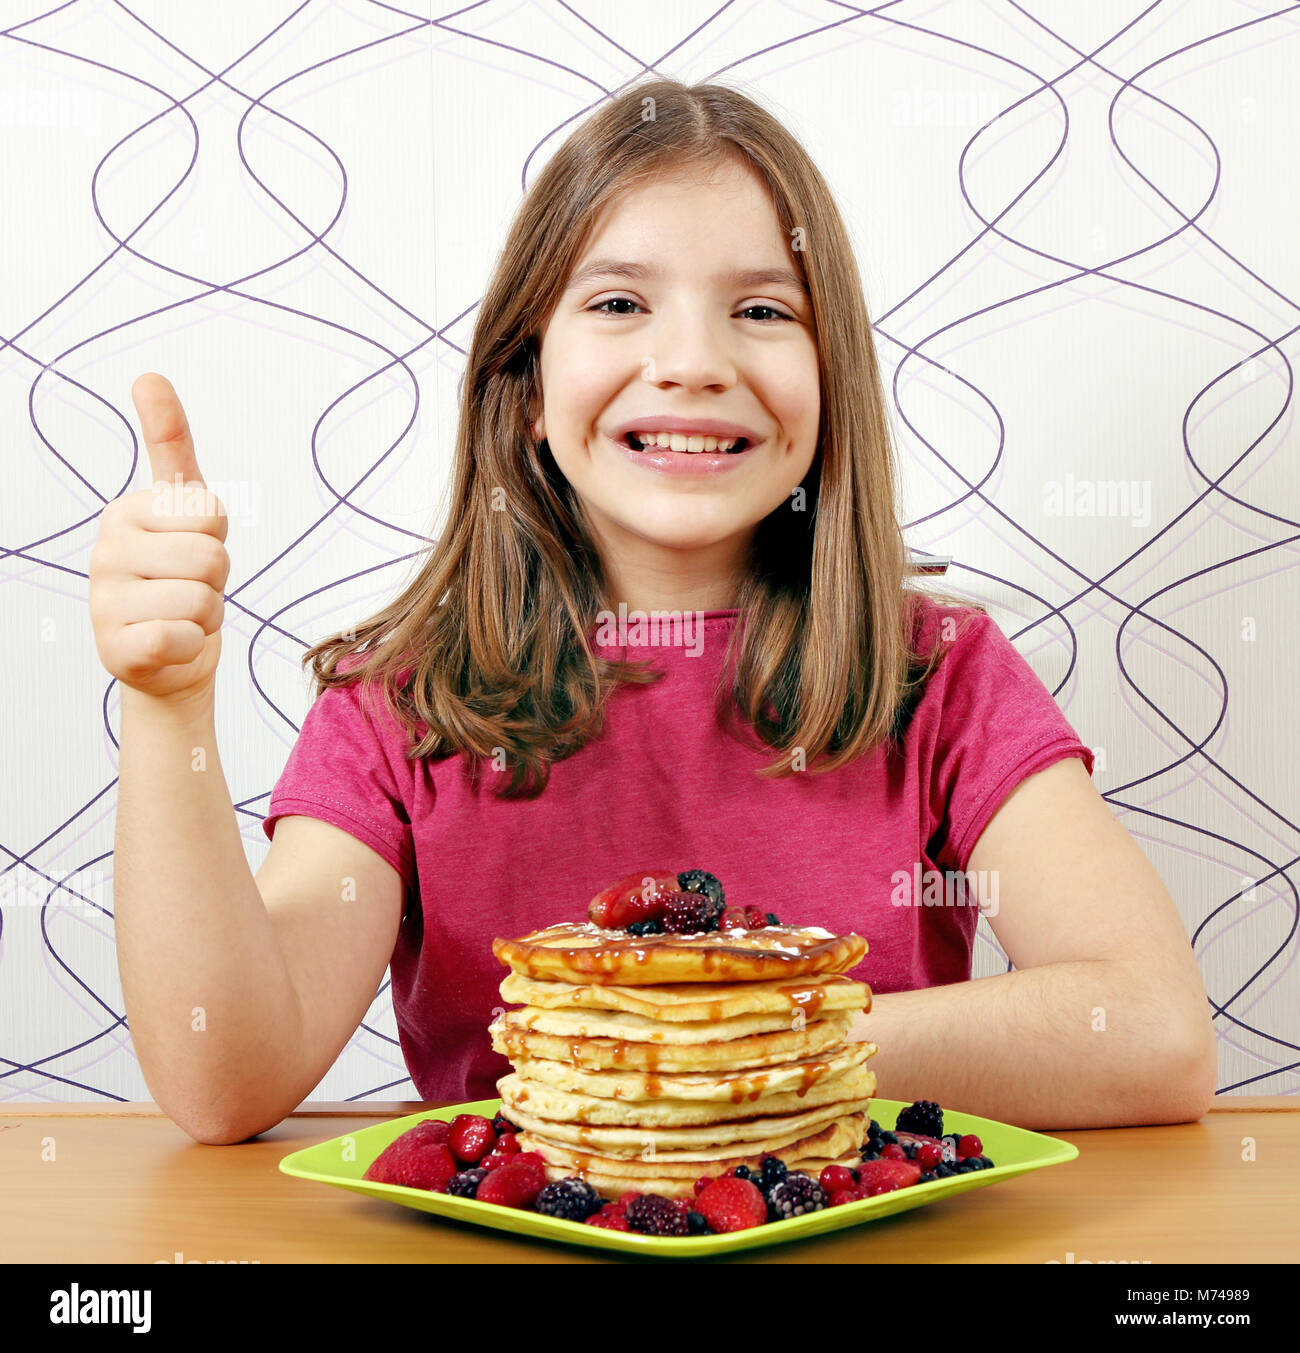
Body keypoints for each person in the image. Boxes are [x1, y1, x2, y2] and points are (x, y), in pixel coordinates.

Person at [90, 77, 1216, 1144]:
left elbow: (1151, 1033)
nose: (691, 361)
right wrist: (167, 711)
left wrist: (716, 1041)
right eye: (621, 302)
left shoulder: (941, 671)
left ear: (832, 383)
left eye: (763, 309)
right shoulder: (402, 702)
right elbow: (223, 1074)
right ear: (526, 386)